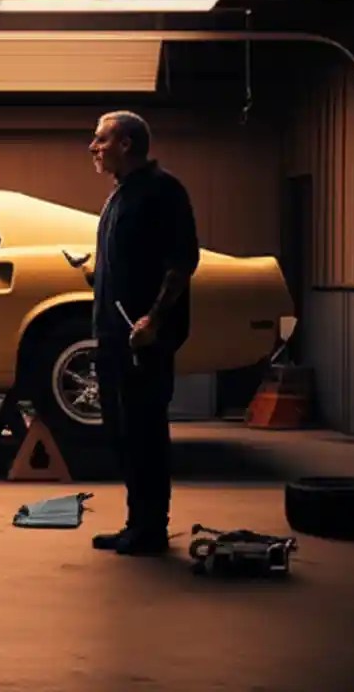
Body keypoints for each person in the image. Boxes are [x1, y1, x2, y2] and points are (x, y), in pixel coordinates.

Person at [80, 110, 200, 555]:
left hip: (142, 340)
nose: (93, 147)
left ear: (125, 143)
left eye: (100, 139)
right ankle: (138, 522)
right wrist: (100, 276)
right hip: (114, 337)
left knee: (146, 433)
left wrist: (154, 319)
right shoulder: (121, 194)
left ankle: (150, 528)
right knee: (124, 432)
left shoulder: (162, 191)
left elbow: (182, 262)